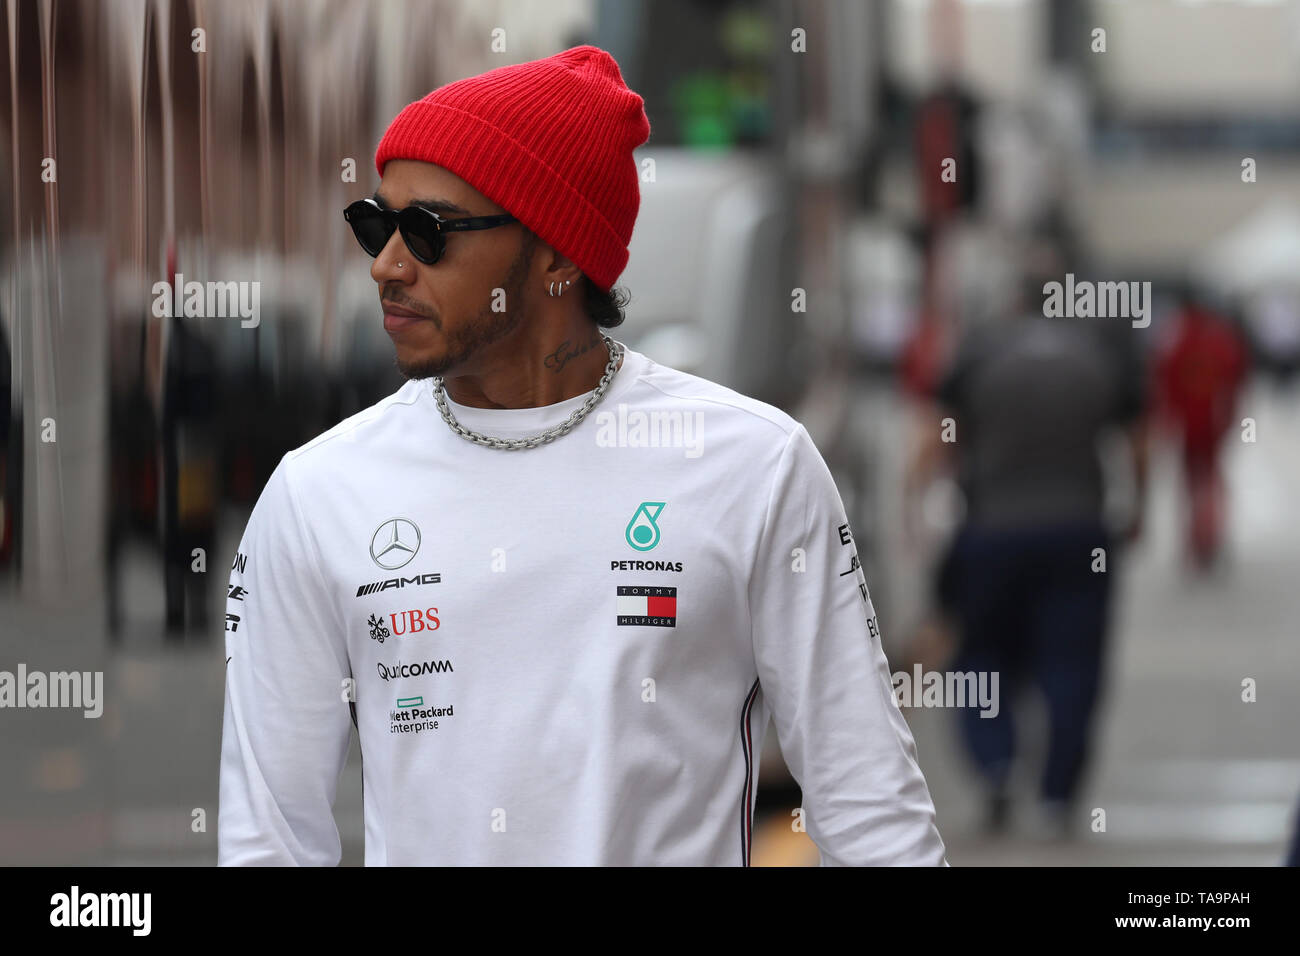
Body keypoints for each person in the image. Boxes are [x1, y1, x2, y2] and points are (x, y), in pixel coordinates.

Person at [217, 46, 946, 866]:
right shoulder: (319, 492)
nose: (387, 264)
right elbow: (267, 840)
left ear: (559, 257)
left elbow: (868, 804)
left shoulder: (754, 465)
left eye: (429, 231)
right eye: (374, 224)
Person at [916, 275, 1148, 838]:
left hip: (991, 530)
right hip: (1078, 532)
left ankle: (995, 766)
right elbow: (1137, 438)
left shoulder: (981, 350)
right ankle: (1057, 796)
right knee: (1073, 666)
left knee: (983, 656)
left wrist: (916, 504)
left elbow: (938, 436)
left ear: (1016, 302)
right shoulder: (1098, 353)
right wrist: (1139, 506)